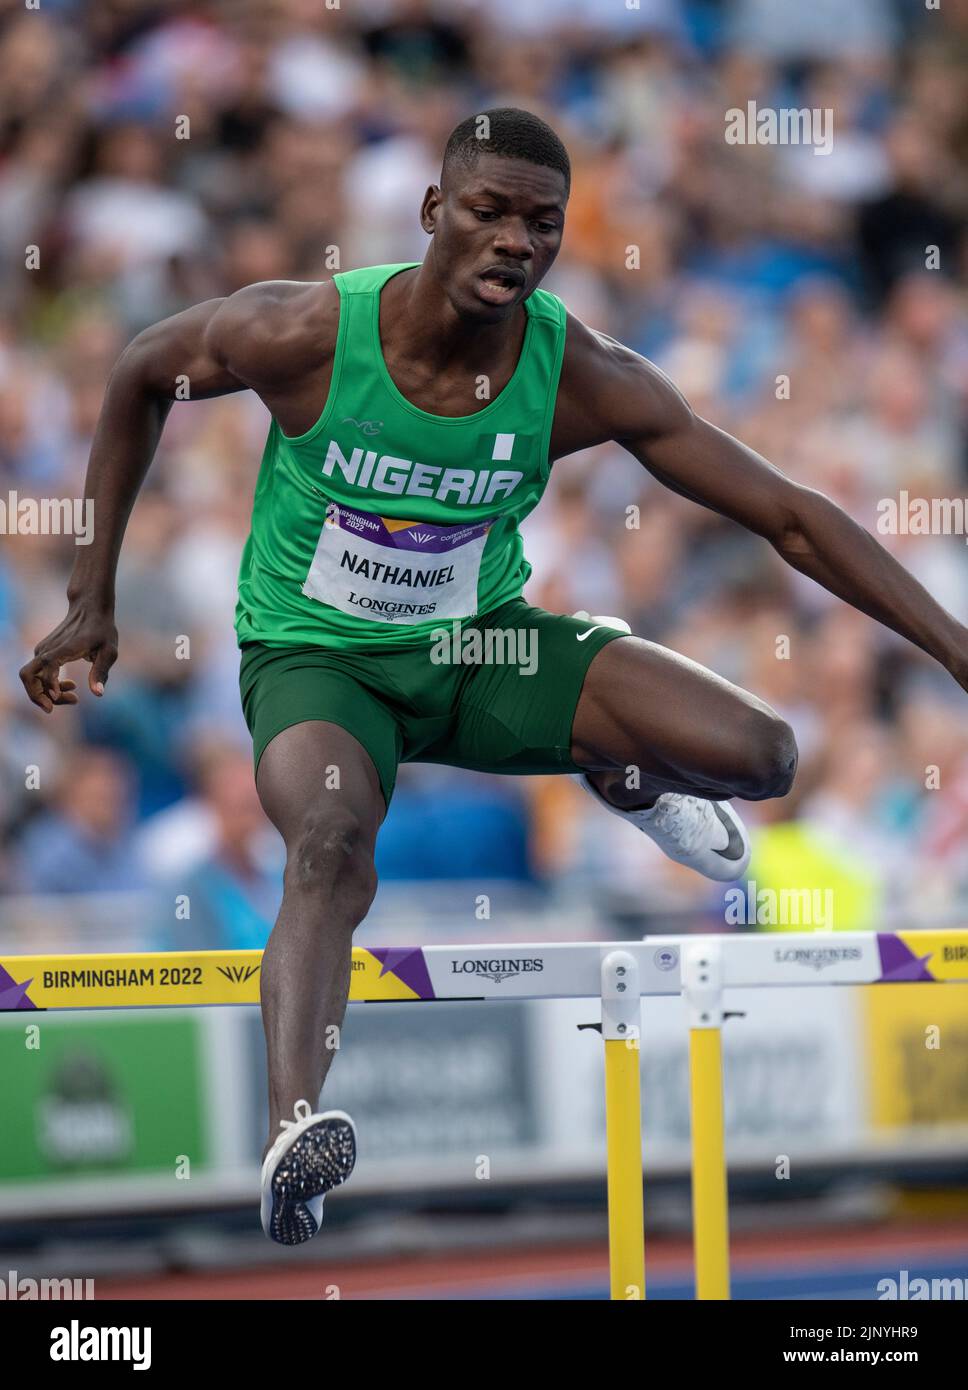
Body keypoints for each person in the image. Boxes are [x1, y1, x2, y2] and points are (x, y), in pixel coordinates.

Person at [20, 109, 968, 1245]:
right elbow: (136, 371)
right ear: (432, 212)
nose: (513, 241)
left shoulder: (580, 376)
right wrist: (91, 593)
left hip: (483, 652)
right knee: (327, 846)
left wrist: (955, 651)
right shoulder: (307, 333)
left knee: (762, 755)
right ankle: (294, 1137)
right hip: (320, 665)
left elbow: (790, 518)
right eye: (488, 211)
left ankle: (620, 771)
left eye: (541, 224)